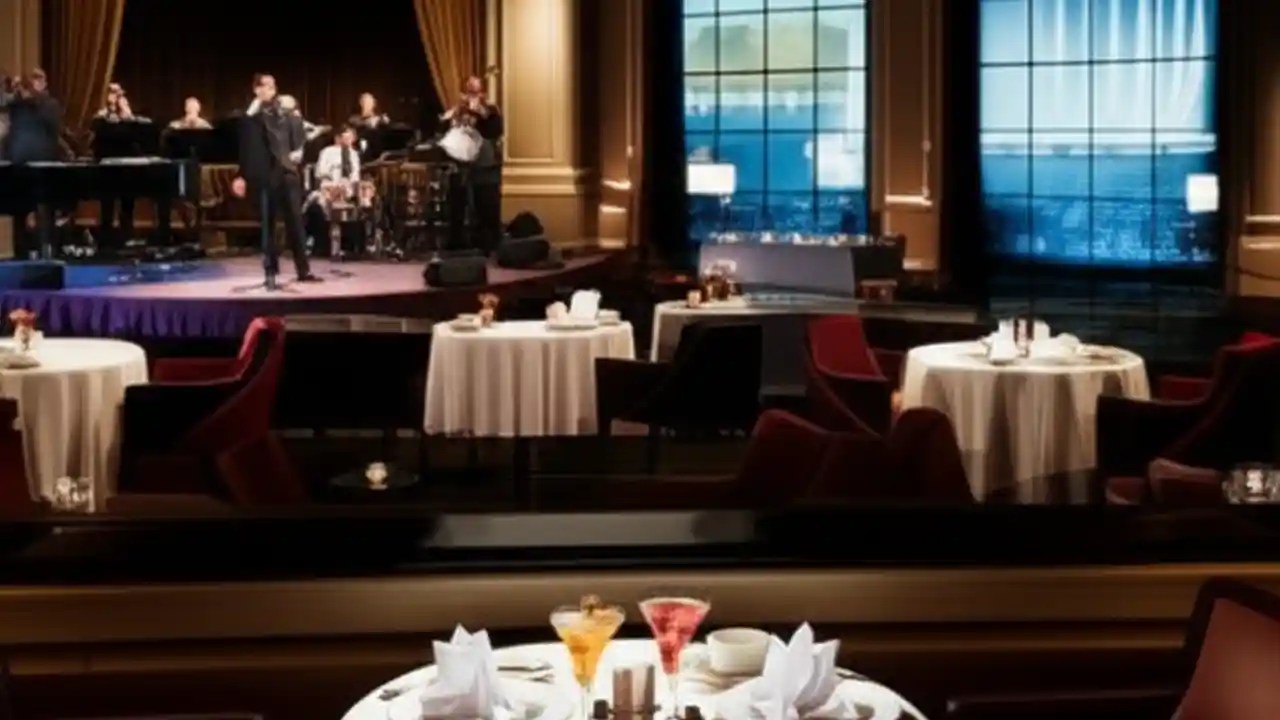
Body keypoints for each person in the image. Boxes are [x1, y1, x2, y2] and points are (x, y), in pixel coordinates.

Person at [232, 73, 319, 283]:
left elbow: (298, 140)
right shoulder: (252, 118)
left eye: (273, 86)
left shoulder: (287, 114)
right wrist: (242, 175)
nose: (270, 90)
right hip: (265, 175)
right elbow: (246, 145)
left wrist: (298, 153)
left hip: (287, 173)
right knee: (268, 225)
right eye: (265, 86)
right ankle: (270, 271)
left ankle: (303, 270)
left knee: (295, 222)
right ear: (257, 89)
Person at [2, 70, 63, 257]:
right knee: (19, 210)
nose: (35, 83)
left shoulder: (50, 104)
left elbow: (51, 124)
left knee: (45, 211)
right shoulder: (17, 105)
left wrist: (31, 96)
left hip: (44, 166)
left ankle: (47, 251)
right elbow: (2, 102)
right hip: (20, 165)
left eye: (39, 79)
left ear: (45, 83)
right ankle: (20, 253)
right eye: (32, 80)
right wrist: (11, 87)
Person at [441, 75, 503, 253]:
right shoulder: (458, 109)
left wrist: (479, 113)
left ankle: (487, 243)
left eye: (476, 90)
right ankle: (457, 242)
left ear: (482, 92)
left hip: (484, 164)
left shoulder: (490, 109)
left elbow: (494, 131)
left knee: (485, 205)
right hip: (461, 164)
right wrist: (453, 116)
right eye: (469, 90)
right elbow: (448, 130)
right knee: (458, 206)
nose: (472, 94)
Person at [304, 125, 362, 256]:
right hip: (328, 186)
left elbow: (355, 176)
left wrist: (348, 185)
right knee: (317, 203)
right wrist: (333, 185)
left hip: (347, 189)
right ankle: (316, 242)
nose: (349, 140)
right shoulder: (327, 152)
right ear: (339, 138)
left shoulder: (354, 155)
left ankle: (352, 245)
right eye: (346, 137)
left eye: (351, 137)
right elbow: (320, 173)